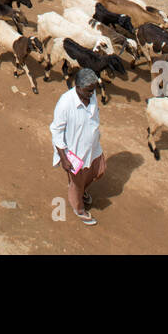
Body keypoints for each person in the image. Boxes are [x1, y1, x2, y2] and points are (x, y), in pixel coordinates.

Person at [51, 68, 107, 226]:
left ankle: (81, 190)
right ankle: (79, 208)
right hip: (75, 153)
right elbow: (56, 131)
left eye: (93, 89)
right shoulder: (65, 103)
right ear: (78, 87)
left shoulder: (91, 94)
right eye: (89, 90)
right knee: (76, 183)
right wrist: (63, 158)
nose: (92, 93)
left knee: (99, 170)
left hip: (94, 147)